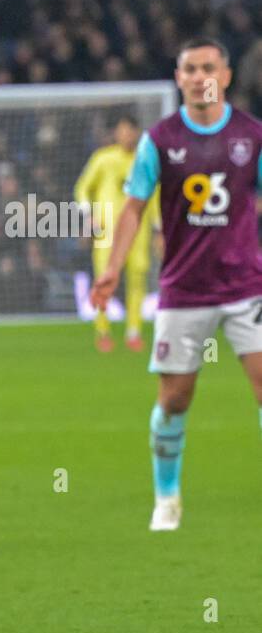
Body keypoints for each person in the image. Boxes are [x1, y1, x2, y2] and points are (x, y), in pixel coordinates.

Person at [91, 38, 262, 532]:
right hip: (184, 289)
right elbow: (133, 208)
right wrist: (112, 269)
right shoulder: (160, 140)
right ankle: (167, 498)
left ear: (225, 75)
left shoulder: (252, 135)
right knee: (175, 399)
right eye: (189, 68)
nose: (199, 75)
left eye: (209, 66)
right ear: (179, 77)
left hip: (247, 286)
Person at [75, 114, 159, 351]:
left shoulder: (145, 161)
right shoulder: (103, 159)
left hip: (137, 230)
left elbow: (154, 196)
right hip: (107, 230)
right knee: (103, 280)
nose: (125, 135)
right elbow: (83, 188)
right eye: (121, 130)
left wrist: (159, 227)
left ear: (136, 132)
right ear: (116, 133)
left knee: (136, 279)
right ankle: (102, 331)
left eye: (128, 130)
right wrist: (88, 214)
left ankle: (134, 332)